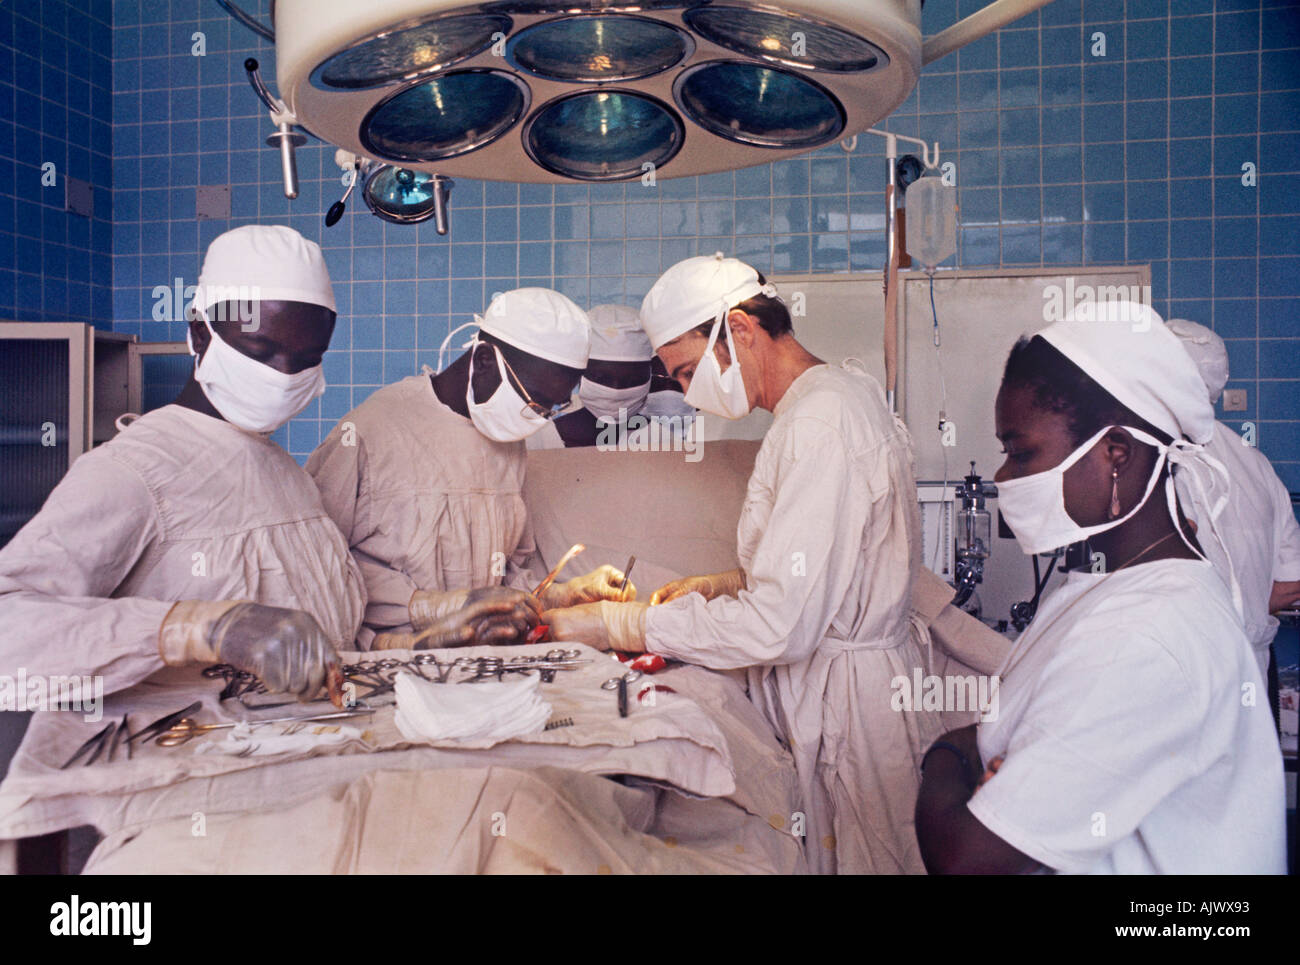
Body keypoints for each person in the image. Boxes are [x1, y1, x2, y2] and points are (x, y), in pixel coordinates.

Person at [544, 253, 942, 874]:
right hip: (853, 687)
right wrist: (728, 582)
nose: (681, 389)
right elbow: (835, 560)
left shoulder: (820, 422)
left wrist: (621, 624)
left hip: (853, 710)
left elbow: (779, 627)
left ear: (742, 330)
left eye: (683, 371)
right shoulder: (833, 398)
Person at [915, 302, 1286, 874]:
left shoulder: (1146, 632)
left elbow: (965, 859)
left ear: (1116, 455)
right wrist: (989, 754)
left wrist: (945, 753)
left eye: (1021, 452)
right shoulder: (1105, 587)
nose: (1003, 477)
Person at [0, 225, 374, 700]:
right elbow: (9, 632)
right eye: (261, 352)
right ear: (201, 334)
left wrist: (410, 637)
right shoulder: (133, 472)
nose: (282, 377)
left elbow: (325, 628)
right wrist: (196, 627)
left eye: (306, 358)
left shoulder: (286, 474)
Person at [307, 288, 635, 650]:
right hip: (389, 658)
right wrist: (436, 608)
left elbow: (501, 573)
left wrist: (562, 594)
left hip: (480, 655)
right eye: (534, 401)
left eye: (550, 408)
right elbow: (317, 566)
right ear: (482, 360)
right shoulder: (371, 431)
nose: (538, 418)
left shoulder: (506, 436)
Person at [1167, 318, 1300, 679]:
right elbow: (1290, 583)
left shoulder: (1161, 458)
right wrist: (1247, 612)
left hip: (1189, 666)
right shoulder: (1256, 463)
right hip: (1254, 665)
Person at [526, 304, 655, 450]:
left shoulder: (664, 442)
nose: (616, 391)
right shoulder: (539, 442)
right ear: (579, 374)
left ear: (649, 376)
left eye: (632, 380)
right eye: (602, 378)